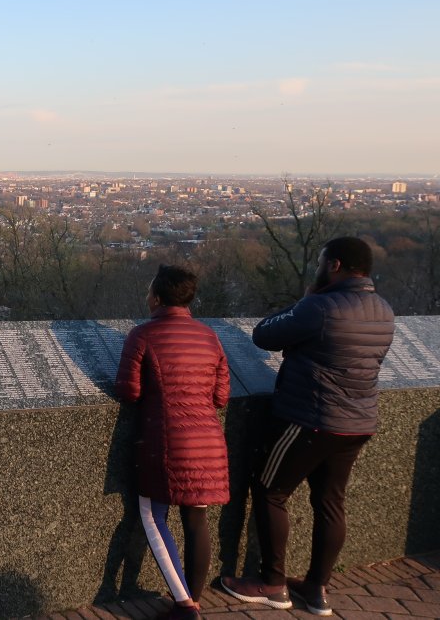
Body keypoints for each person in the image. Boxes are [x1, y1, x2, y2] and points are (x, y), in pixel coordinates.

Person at [221, 236, 394, 616]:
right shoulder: (383, 309)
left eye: (321, 262)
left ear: (333, 265)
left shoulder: (320, 307)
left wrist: (306, 300)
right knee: (330, 502)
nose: (317, 268)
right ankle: (317, 589)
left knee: (269, 489)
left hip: (312, 419)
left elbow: (264, 334)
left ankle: (272, 583)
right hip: (358, 422)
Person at [115, 264, 230, 620]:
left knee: (151, 515)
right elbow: (221, 395)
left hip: (166, 443)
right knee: (197, 522)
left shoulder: (143, 335)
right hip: (208, 442)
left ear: (157, 297)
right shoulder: (209, 336)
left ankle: (185, 605)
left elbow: (129, 390)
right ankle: (192, 596)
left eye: (150, 288)